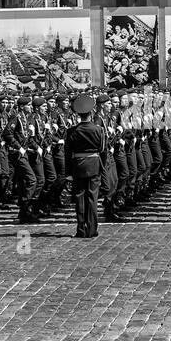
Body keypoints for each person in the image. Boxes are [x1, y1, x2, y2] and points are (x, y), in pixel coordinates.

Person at [65, 94, 107, 238]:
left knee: (79, 197)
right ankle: (92, 229)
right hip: (94, 164)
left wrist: (68, 172)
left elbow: (67, 153)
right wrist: (103, 166)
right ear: (91, 113)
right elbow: (103, 150)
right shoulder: (98, 129)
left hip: (78, 166)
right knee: (92, 198)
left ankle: (81, 229)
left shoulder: (71, 131)